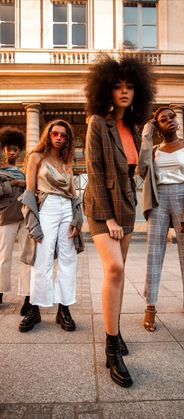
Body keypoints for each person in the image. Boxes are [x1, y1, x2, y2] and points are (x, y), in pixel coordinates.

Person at [83, 55, 154, 387]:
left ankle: (115, 328)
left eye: (129, 86)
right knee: (114, 269)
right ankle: (112, 348)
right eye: (117, 86)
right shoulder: (98, 122)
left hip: (126, 203)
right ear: (106, 90)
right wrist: (108, 216)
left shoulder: (134, 128)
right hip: (100, 205)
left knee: (120, 273)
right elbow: (95, 171)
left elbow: (133, 169)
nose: (124, 91)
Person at [138, 107, 184, 344]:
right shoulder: (155, 150)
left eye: (172, 117)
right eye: (163, 119)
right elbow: (142, 170)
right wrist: (146, 136)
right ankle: (150, 307)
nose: (170, 120)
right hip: (158, 200)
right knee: (153, 255)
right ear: (157, 125)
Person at [19, 119, 83, 333]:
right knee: (42, 258)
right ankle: (34, 308)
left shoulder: (67, 162)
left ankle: (63, 309)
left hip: (66, 208)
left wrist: (77, 218)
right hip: (46, 206)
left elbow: (74, 194)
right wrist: (32, 223)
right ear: (48, 134)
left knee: (68, 259)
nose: (59, 138)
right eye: (55, 134)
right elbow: (29, 193)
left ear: (68, 140)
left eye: (64, 136)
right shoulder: (36, 157)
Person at [0, 127, 31, 315]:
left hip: (25, 217)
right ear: (4, 149)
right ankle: (0, 290)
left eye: (16, 149)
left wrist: (25, 183)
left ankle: (28, 295)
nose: (13, 152)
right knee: (4, 257)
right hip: (6, 217)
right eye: (9, 148)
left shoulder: (26, 172)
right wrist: (12, 184)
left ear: (20, 151)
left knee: (27, 257)